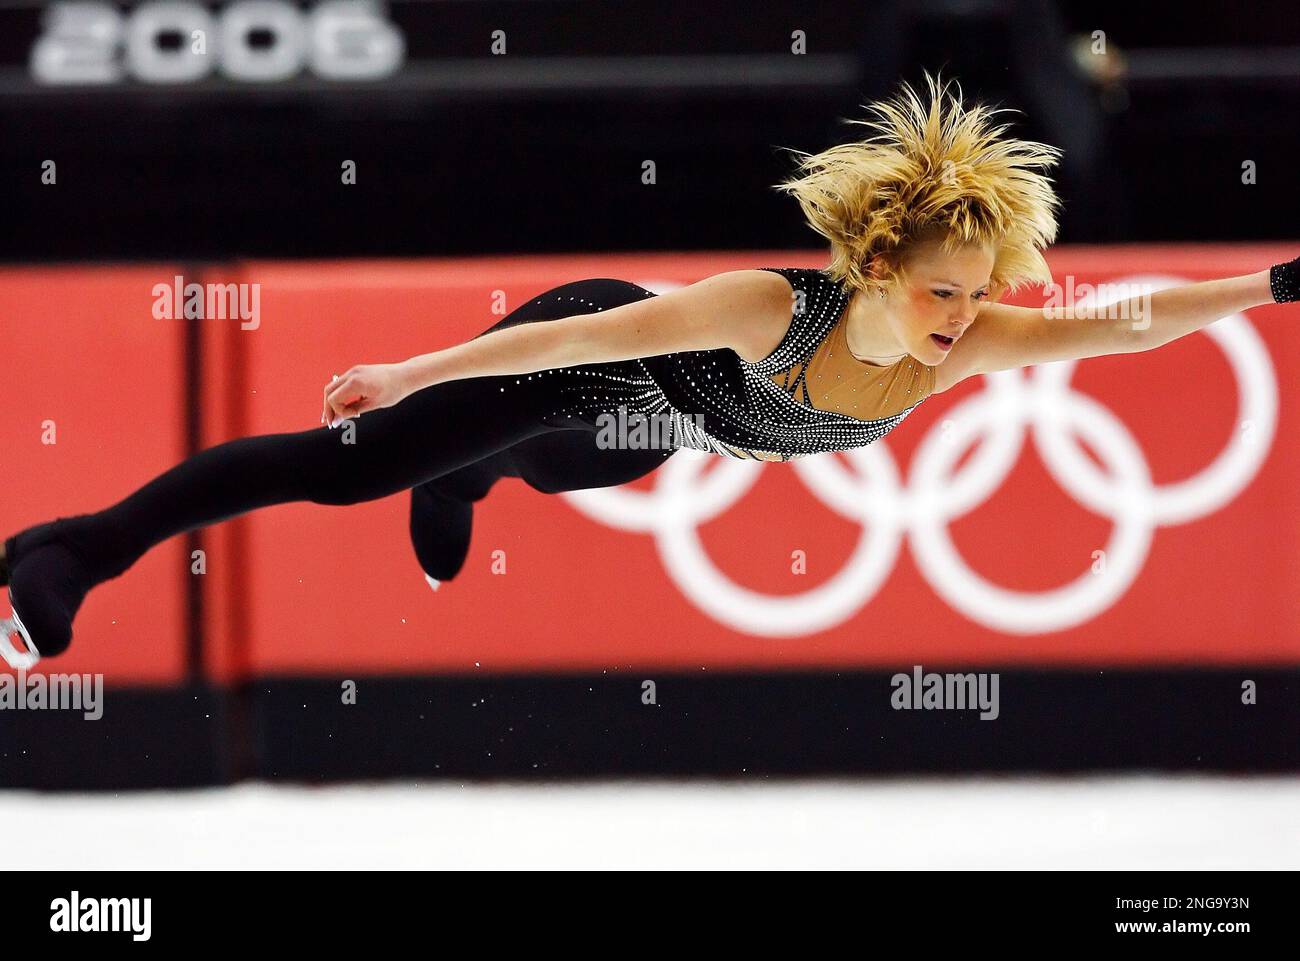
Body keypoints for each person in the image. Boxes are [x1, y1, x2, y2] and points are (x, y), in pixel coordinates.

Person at [2, 72, 1294, 668]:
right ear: (881, 267)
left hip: (630, 441)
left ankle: (462, 482)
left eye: (976, 291)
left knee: (542, 475)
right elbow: (569, 340)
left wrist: (1273, 286)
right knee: (356, 471)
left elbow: (1126, 322)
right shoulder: (763, 309)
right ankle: (72, 551)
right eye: (940, 290)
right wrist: (411, 370)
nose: (963, 316)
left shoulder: (974, 347)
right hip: (586, 357)